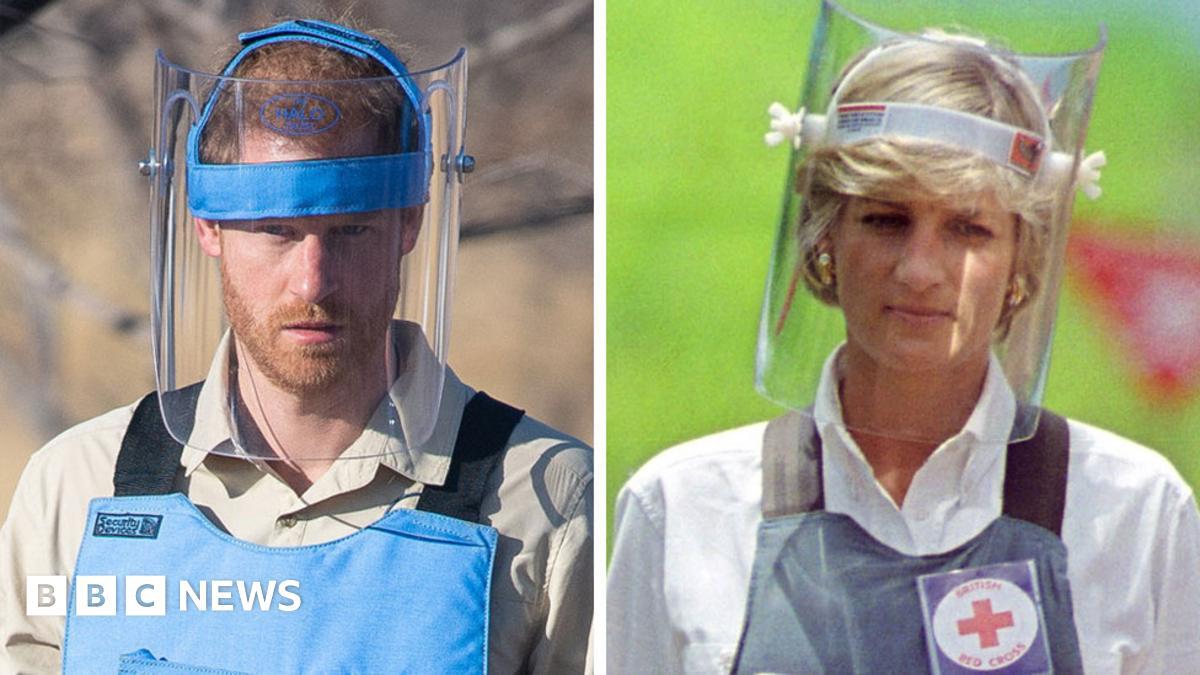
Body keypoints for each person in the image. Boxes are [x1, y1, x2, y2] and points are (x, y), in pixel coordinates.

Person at [607, 4, 1200, 674]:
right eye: (887, 220)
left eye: (968, 229)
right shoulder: (684, 509)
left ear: (1022, 258)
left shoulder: (1135, 513)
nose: (920, 270)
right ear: (825, 234)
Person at [0, 17, 592, 674]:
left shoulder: (549, 500)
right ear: (208, 227)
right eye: (276, 230)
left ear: (410, 223)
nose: (314, 280)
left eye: (351, 230)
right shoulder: (78, 487)